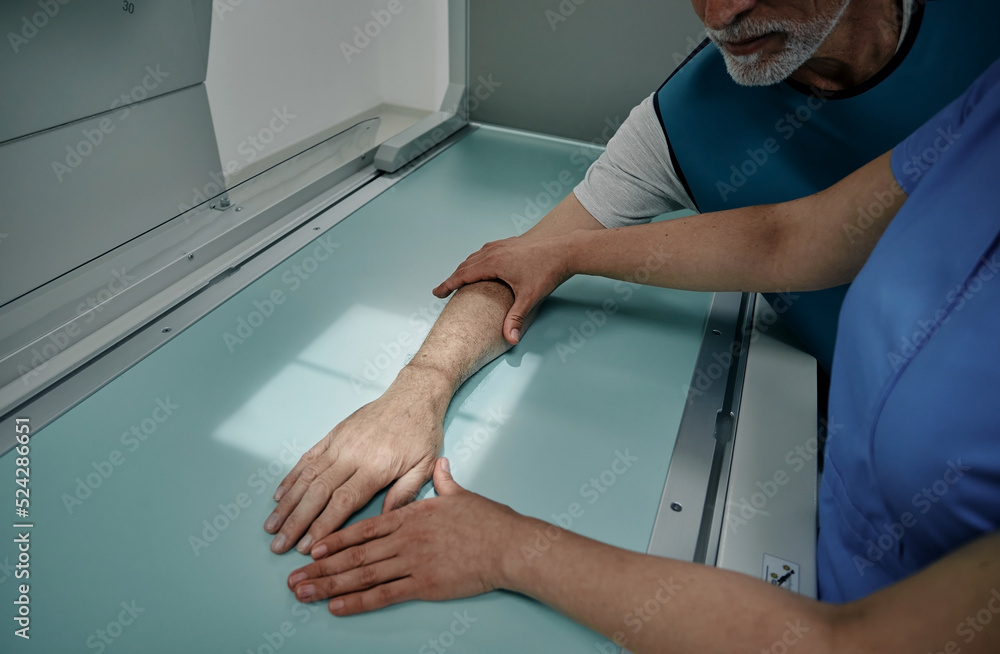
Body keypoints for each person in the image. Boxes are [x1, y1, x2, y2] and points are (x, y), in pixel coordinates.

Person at [279, 59, 1000, 652]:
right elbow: (791, 237)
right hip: (835, 512)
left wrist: (505, 549)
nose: (723, 13)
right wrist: (420, 387)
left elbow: (841, 646)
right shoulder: (985, 105)